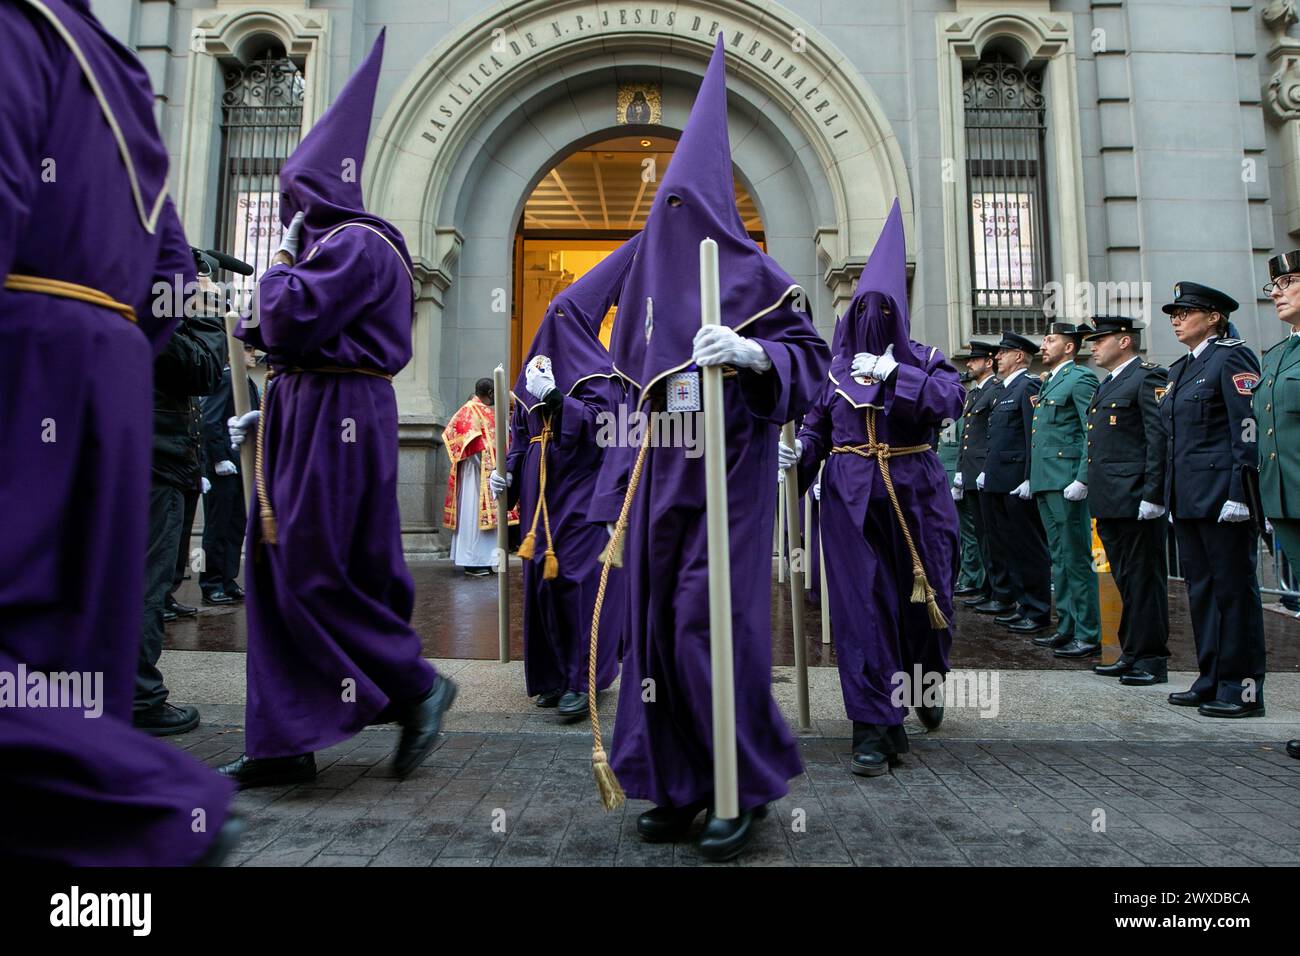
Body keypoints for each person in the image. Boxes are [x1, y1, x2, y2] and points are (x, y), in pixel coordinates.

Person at [0, 0, 237, 863]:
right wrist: (116, 367)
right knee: (67, 659)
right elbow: (171, 264)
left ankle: (145, 803)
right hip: (113, 377)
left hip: (24, 361)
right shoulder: (113, 66)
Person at [587, 34, 830, 861]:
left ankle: (741, 780)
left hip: (728, 474)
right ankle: (679, 781)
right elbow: (629, 393)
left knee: (705, 623)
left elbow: (811, 364)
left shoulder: (758, 279)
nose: (672, 222)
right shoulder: (648, 295)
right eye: (664, 209)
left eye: (687, 206)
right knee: (653, 627)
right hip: (659, 480)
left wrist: (759, 355)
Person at [218, 31, 457, 788]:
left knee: (314, 567)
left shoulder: (355, 244)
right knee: (277, 570)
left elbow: (280, 317)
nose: (289, 205)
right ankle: (283, 743)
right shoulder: (333, 246)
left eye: (296, 191)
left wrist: (280, 265)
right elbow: (272, 330)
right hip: (304, 408)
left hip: (336, 414)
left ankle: (416, 687)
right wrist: (271, 409)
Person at [786, 200, 962, 776]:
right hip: (850, 498)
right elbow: (816, 427)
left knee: (926, 604)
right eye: (864, 308)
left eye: (884, 310)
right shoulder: (831, 373)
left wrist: (896, 374)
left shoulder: (929, 360)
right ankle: (872, 726)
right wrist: (799, 456)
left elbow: (950, 403)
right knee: (863, 612)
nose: (872, 318)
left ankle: (926, 684)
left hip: (917, 496)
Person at [494, 239, 638, 720]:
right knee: (543, 584)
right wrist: (511, 471)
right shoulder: (533, 374)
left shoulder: (603, 376)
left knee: (580, 579)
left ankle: (586, 678)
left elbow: (608, 429)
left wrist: (560, 402)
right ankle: (555, 675)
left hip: (582, 490)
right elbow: (519, 432)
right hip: (540, 494)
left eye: (561, 318)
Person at [1159, 281, 1267, 717]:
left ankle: (1242, 690)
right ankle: (1210, 678)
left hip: (1223, 498)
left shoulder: (1232, 357)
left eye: (1186, 312)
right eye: (1174, 313)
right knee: (1202, 592)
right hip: (1188, 498)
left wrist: (1240, 492)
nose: (1177, 319)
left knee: (1234, 594)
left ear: (1214, 317)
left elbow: (1247, 427)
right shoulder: (1180, 369)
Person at [135, 295, 227, 735]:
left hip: (155, 460)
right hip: (152, 461)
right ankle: (138, 698)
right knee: (143, 585)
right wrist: (203, 308)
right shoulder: (144, 298)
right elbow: (201, 369)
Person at [1082, 316, 1170, 685]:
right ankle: (1131, 652)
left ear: (1124, 341)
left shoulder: (1147, 376)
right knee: (1125, 579)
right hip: (1111, 499)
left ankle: (1151, 659)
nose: (1093, 346)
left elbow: (1157, 438)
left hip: (1135, 498)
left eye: (1100, 339)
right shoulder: (1109, 383)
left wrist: (1153, 494)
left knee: (1144, 581)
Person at [1029, 323, 1101, 658]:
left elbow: (1091, 429)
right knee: (1058, 558)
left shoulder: (1080, 378)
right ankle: (1067, 626)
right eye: (1044, 339)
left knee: (1075, 558)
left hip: (1066, 480)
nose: (1044, 345)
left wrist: (1083, 477)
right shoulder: (1050, 381)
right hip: (1046, 480)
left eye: (1051, 340)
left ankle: (1088, 632)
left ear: (1069, 347)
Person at [1252, 251, 1300, 754]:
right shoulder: (1279, 354)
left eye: (1289, 281)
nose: (1277, 291)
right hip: (1287, 500)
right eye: (1274, 285)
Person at [977, 333, 1053, 633]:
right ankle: (1021, 604)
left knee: (1028, 548)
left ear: (1020, 356)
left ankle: (1036, 610)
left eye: (1004, 353)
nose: (997, 358)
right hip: (998, 480)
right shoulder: (1002, 389)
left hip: (1016, 481)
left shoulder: (1028, 386)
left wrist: (1029, 477)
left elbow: (1031, 435)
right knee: (1007, 546)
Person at [200, 342, 260, 604]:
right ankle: (211, 582)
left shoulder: (248, 382)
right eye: (247, 349)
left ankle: (227, 578)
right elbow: (210, 421)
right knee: (218, 526)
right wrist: (219, 459)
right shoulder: (226, 378)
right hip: (224, 466)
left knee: (236, 526)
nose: (253, 353)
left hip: (241, 464)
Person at [956, 340, 1012, 612]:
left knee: (994, 536)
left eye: (974, 360)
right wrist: (959, 470)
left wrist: (986, 469)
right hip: (971, 473)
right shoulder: (975, 394)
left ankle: (1000, 592)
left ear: (988, 362)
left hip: (985, 473)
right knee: (981, 535)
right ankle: (989, 588)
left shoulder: (996, 390)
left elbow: (993, 435)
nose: (969, 364)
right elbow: (967, 436)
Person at [444, 378, 511, 575]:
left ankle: (484, 559)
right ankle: (472, 560)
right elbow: (463, 439)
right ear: (491, 392)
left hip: (487, 472)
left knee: (486, 520)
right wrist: (483, 465)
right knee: (472, 515)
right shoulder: (470, 409)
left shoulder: (482, 409)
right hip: (474, 471)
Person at [940, 372, 986, 598]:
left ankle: (972, 576)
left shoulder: (960, 410)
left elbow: (956, 445)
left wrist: (956, 475)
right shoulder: (950, 410)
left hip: (956, 474)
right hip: (948, 473)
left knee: (967, 530)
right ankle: (965, 574)